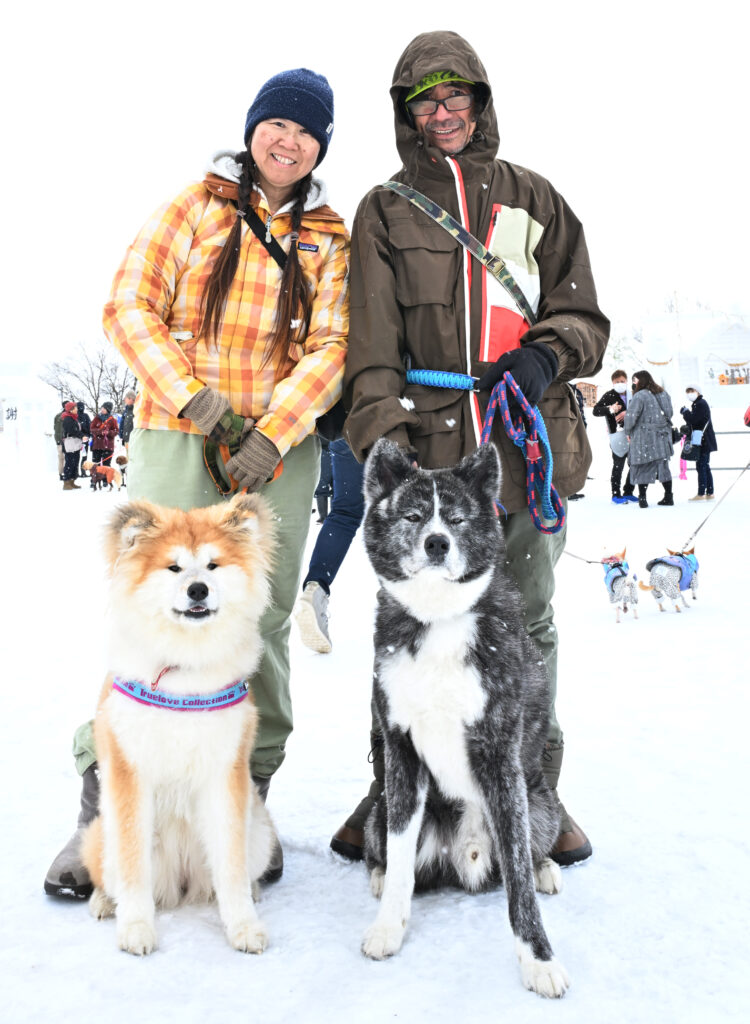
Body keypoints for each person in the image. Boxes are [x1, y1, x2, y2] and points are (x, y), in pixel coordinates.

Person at [44, 68, 348, 898]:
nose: (288, 140)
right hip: (179, 430)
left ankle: (247, 799)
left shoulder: (330, 237)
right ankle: (105, 809)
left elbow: (332, 348)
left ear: (321, 148)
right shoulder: (196, 206)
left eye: (307, 131)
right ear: (253, 130)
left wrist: (271, 432)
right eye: (275, 124)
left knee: (266, 614)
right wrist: (207, 408)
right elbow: (129, 306)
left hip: (276, 454)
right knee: (151, 606)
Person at [333, 31, 609, 868]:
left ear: (481, 104)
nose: (443, 112)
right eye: (426, 99)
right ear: (406, 114)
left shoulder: (538, 200)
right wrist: (389, 460)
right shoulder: (384, 209)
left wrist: (543, 353)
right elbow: (370, 353)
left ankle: (535, 793)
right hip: (428, 462)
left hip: (526, 454)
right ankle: (394, 791)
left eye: (458, 97)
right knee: (412, 632)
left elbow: (585, 320)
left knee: (525, 625)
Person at [294, 438, 365, 653]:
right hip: (394, 425)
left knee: (344, 513)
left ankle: (317, 586)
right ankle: (402, 603)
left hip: (348, 428)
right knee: (400, 512)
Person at [622, 370, 674, 508]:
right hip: (662, 436)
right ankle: (668, 496)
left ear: (640, 380)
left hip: (643, 437)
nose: (633, 383)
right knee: (663, 467)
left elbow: (631, 417)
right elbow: (669, 413)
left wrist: (627, 430)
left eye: (635, 380)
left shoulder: (640, 396)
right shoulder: (663, 393)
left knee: (642, 466)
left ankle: (642, 498)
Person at [592, 369, 637, 503]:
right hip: (617, 435)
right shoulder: (609, 395)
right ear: (612, 383)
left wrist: (628, 412)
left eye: (622, 381)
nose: (620, 384)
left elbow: (641, 409)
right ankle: (616, 494)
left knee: (635, 464)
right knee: (618, 464)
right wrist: (610, 409)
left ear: (627, 381)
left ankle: (628, 490)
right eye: (617, 382)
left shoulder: (633, 394)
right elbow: (596, 410)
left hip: (634, 434)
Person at [680, 386, 717, 500]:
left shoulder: (700, 404)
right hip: (704, 439)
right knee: (704, 466)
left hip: (703, 440)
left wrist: (685, 413)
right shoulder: (698, 403)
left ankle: (701, 494)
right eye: (688, 392)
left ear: (698, 392)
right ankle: (709, 493)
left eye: (692, 391)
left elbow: (693, 420)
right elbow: (695, 421)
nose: (690, 394)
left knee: (701, 466)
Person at [60, 401, 83, 490]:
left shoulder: (74, 418)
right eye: (75, 408)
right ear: (71, 410)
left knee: (75, 462)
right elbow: (72, 431)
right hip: (70, 444)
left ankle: (72, 481)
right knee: (69, 463)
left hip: (75, 443)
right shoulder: (67, 419)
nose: (77, 409)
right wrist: (82, 435)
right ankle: (66, 482)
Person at [75, 401, 91, 477]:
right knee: (81, 455)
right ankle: (80, 472)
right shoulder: (76, 416)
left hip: (81, 438)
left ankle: (81, 471)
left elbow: (89, 426)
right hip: (80, 438)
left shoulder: (83, 416)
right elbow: (89, 426)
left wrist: (89, 435)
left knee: (82, 455)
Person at [53, 400, 67, 480]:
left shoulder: (58, 416)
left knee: (62, 458)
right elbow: (57, 429)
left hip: (61, 440)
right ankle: (63, 473)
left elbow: (55, 429)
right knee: (63, 457)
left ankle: (62, 473)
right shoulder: (60, 416)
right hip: (63, 440)